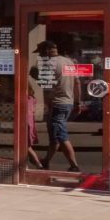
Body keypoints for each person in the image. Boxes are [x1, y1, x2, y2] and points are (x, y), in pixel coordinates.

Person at [37, 40, 81, 172]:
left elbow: (47, 88)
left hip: (57, 103)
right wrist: (78, 102)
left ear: (46, 51)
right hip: (68, 102)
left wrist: (47, 105)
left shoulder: (48, 64)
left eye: (40, 53)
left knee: (61, 135)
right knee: (54, 135)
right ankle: (46, 161)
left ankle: (74, 165)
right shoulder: (69, 62)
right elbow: (77, 83)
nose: (40, 56)